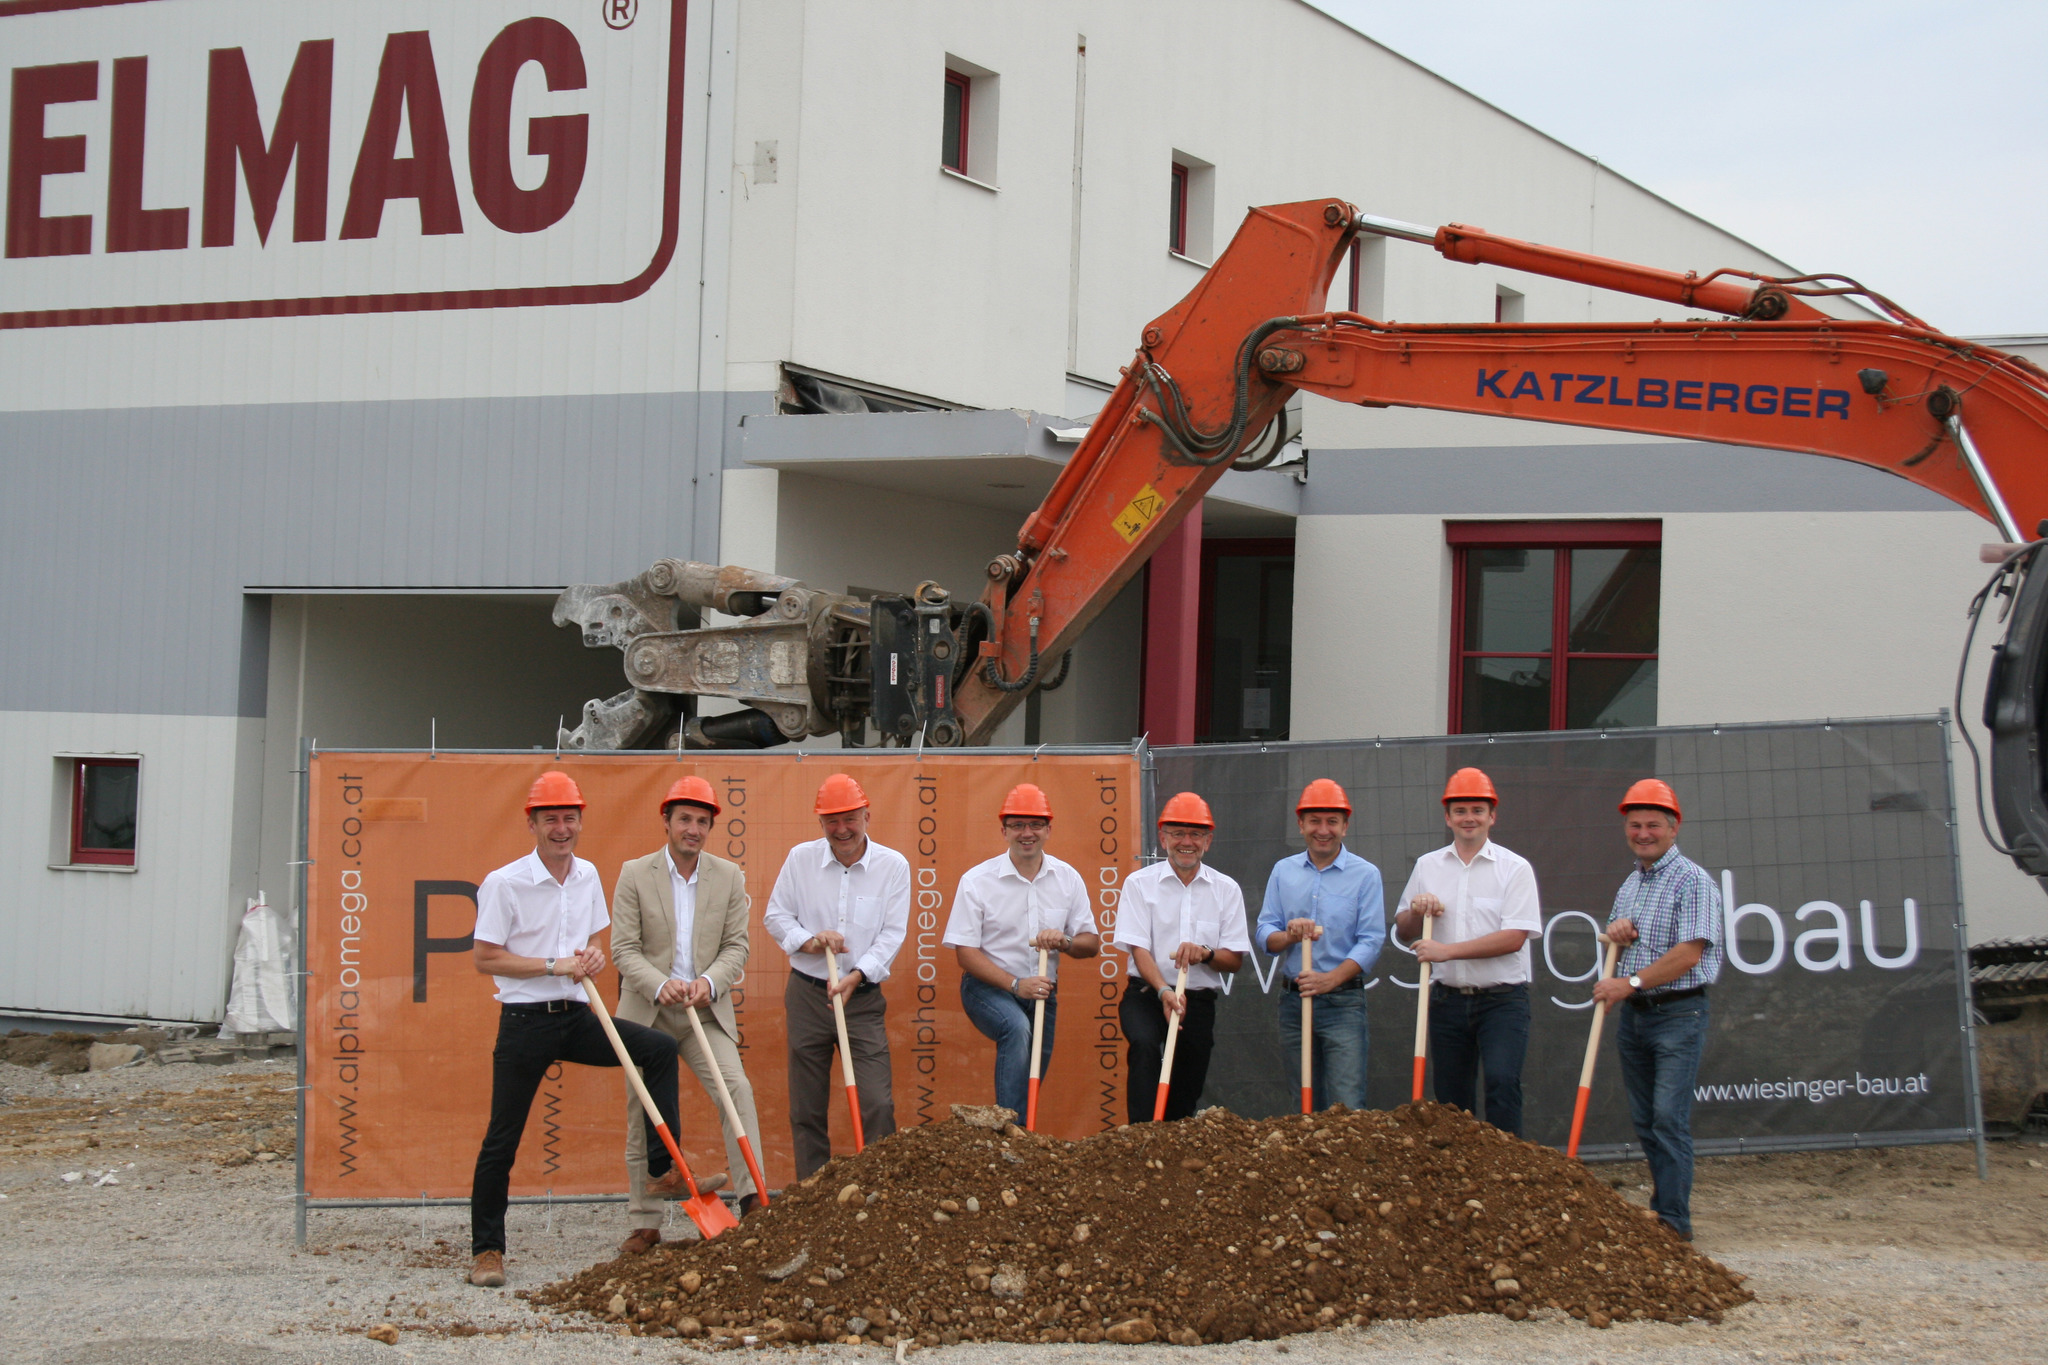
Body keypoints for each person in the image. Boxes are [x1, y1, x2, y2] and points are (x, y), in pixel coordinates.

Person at [466, 771, 714, 1289]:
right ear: (531, 823)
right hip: (525, 1023)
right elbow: (486, 959)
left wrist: (590, 957)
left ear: (580, 822)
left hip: (578, 1016)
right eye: (551, 818)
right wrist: (554, 965)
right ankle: (487, 1251)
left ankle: (660, 1169)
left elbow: (588, 948)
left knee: (659, 1048)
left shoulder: (587, 876)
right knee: (501, 1140)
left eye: (570, 818)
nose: (562, 828)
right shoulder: (504, 882)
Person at [610, 775, 766, 1252]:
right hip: (649, 1012)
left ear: (710, 826)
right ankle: (646, 1222)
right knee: (644, 1111)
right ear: (667, 822)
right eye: (684, 820)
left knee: (735, 1089)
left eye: (702, 821)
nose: (693, 829)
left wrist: (708, 982)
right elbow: (623, 949)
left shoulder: (729, 876)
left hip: (705, 1011)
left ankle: (754, 1202)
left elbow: (737, 945)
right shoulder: (635, 874)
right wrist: (661, 984)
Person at [1592, 778, 1723, 1242]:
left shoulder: (1694, 881)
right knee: (1647, 1119)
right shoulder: (1632, 883)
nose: (1642, 833)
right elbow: (1619, 940)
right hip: (1638, 1016)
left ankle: (1674, 1222)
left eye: (1652, 825)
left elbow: (1689, 954)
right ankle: (1662, 1212)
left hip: (1678, 1015)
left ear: (1673, 828)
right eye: (1635, 825)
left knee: (1669, 1117)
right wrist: (1618, 931)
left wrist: (1626, 983)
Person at [762, 773, 910, 1179]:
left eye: (850, 818)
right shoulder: (800, 859)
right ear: (820, 823)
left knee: (877, 1101)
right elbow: (776, 915)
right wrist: (808, 942)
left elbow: (893, 933)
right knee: (806, 1106)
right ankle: (813, 1193)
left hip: (861, 998)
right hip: (808, 995)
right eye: (832, 821)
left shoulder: (893, 867)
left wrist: (858, 975)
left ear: (867, 815)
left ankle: (879, 1188)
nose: (841, 829)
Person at [1392, 767, 1543, 1136]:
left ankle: (1507, 1172)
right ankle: (1459, 1180)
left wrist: (1448, 952)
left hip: (1502, 1000)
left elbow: (1514, 937)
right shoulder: (1428, 866)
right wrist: (1416, 909)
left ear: (1493, 816)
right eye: (1460, 811)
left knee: (1502, 1084)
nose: (1469, 818)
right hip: (1447, 1001)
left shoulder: (1515, 868)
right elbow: (1403, 927)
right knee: (1452, 1101)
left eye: (1477, 810)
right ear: (1447, 817)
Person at [945, 783, 1102, 1121]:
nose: (1026, 833)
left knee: (1031, 1079)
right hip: (988, 988)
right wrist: (1016, 985)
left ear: (1048, 830)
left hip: (1044, 993)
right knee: (1016, 1028)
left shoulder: (1067, 879)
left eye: (1035, 825)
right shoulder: (977, 881)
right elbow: (965, 952)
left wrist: (1065, 942)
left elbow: (1091, 943)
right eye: (1017, 825)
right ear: (1004, 830)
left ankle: (1016, 1136)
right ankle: (1011, 1141)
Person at [1114, 791, 1250, 1123]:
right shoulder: (1139, 884)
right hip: (1147, 994)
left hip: (1198, 1002)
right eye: (1177, 833)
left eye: (1195, 834)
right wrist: (1163, 990)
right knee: (1145, 1046)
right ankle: (1141, 1135)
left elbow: (1233, 960)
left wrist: (1206, 954)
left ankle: (1172, 1145)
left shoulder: (1226, 889)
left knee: (1186, 1084)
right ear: (1163, 838)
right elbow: (1138, 949)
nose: (1186, 842)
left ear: (1208, 841)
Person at [1255, 778, 1385, 1112]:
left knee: (1347, 1104)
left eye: (1332, 821)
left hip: (1344, 1004)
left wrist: (1331, 979)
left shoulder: (1366, 875)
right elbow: (1265, 934)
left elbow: (1371, 940)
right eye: (1315, 821)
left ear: (1345, 826)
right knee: (1304, 1104)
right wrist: (1289, 935)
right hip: (1293, 1003)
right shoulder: (1283, 872)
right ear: (1301, 824)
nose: (1323, 830)